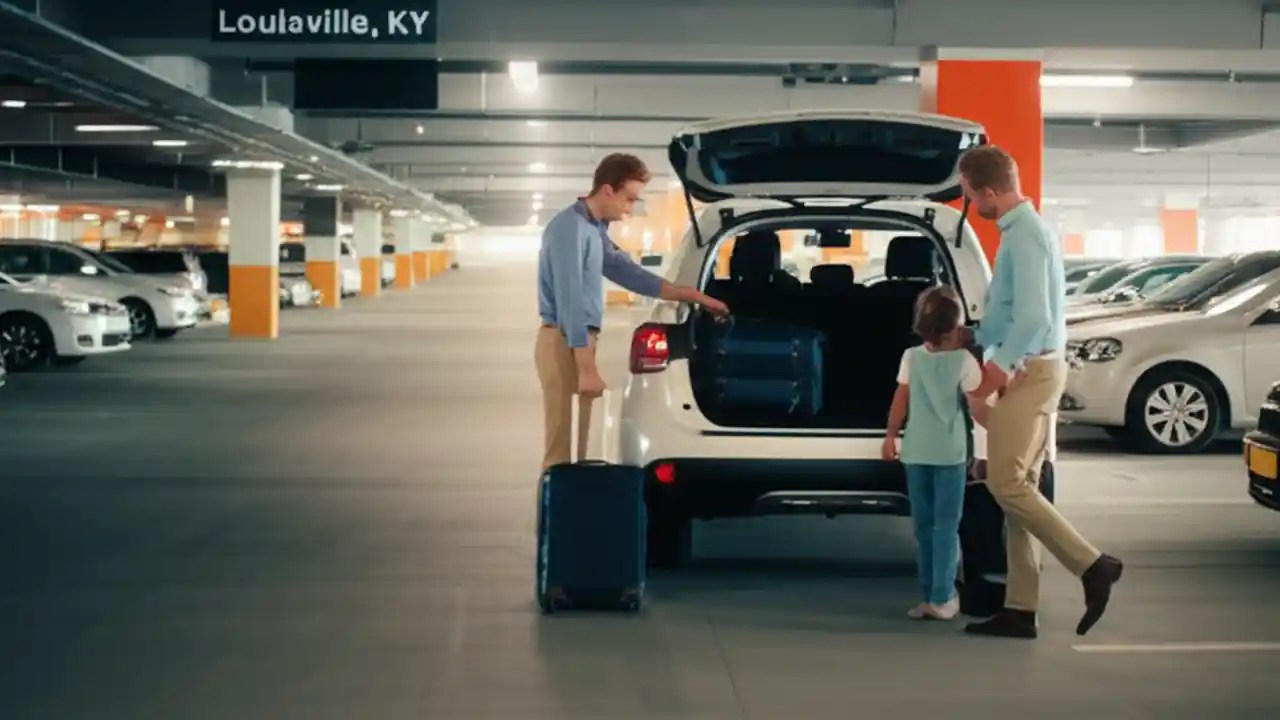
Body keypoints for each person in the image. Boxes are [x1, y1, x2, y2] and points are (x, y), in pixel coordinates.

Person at [959, 145, 1123, 639]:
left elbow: (1034, 318)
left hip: (1028, 372)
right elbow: (1015, 310)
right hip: (1034, 368)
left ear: (990, 191)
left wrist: (996, 370)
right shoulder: (1025, 231)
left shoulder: (1024, 237)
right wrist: (980, 335)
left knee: (1006, 485)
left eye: (969, 195)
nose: (968, 203)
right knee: (1020, 489)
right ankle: (1020, 608)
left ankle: (1091, 564)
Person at [536, 153, 730, 472]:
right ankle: (555, 515)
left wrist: (694, 296)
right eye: (629, 200)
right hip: (563, 342)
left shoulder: (593, 230)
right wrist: (585, 366)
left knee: (578, 448)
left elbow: (632, 275)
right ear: (608, 190)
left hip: (578, 343)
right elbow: (569, 300)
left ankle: (573, 512)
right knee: (561, 449)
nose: (629, 210)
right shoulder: (569, 229)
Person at [882, 287, 989, 621]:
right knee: (947, 526)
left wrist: (890, 435)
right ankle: (943, 597)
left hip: (916, 452)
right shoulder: (965, 362)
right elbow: (979, 409)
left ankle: (929, 593)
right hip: (950, 455)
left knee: (923, 526)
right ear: (955, 326)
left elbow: (901, 399)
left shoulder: (911, 357)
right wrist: (994, 443)